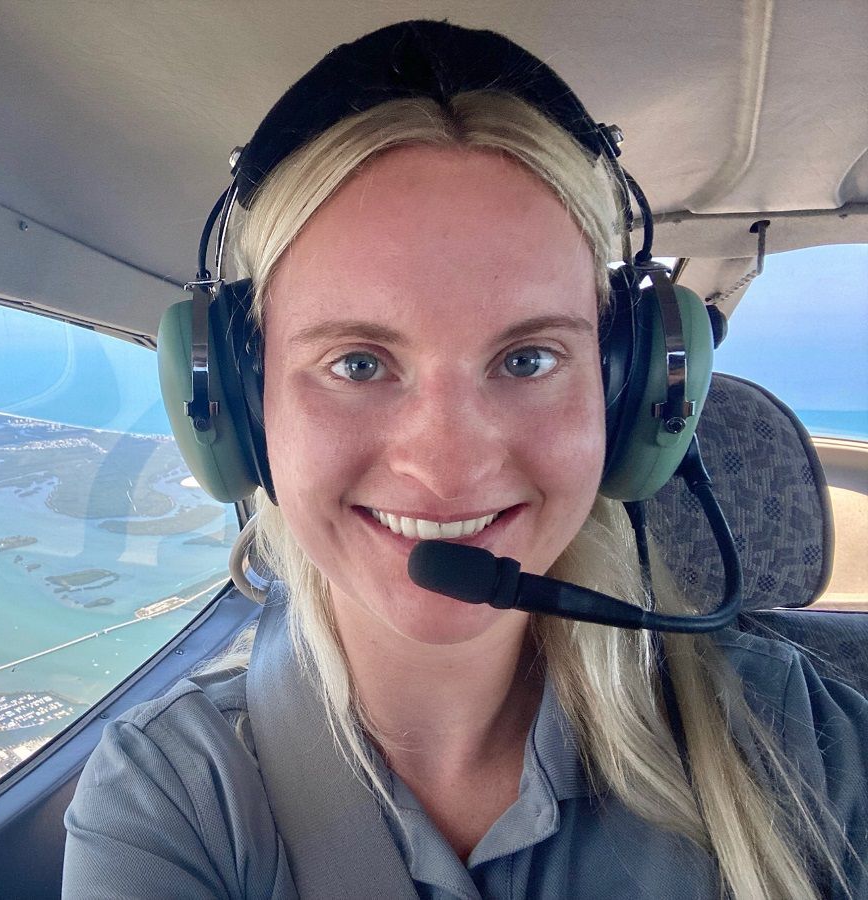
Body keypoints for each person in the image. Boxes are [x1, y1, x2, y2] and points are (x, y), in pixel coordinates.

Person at [62, 21, 866, 899]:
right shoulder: (170, 799)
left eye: (528, 359)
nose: (446, 467)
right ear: (243, 414)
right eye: (357, 364)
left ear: (628, 399)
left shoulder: (793, 740)